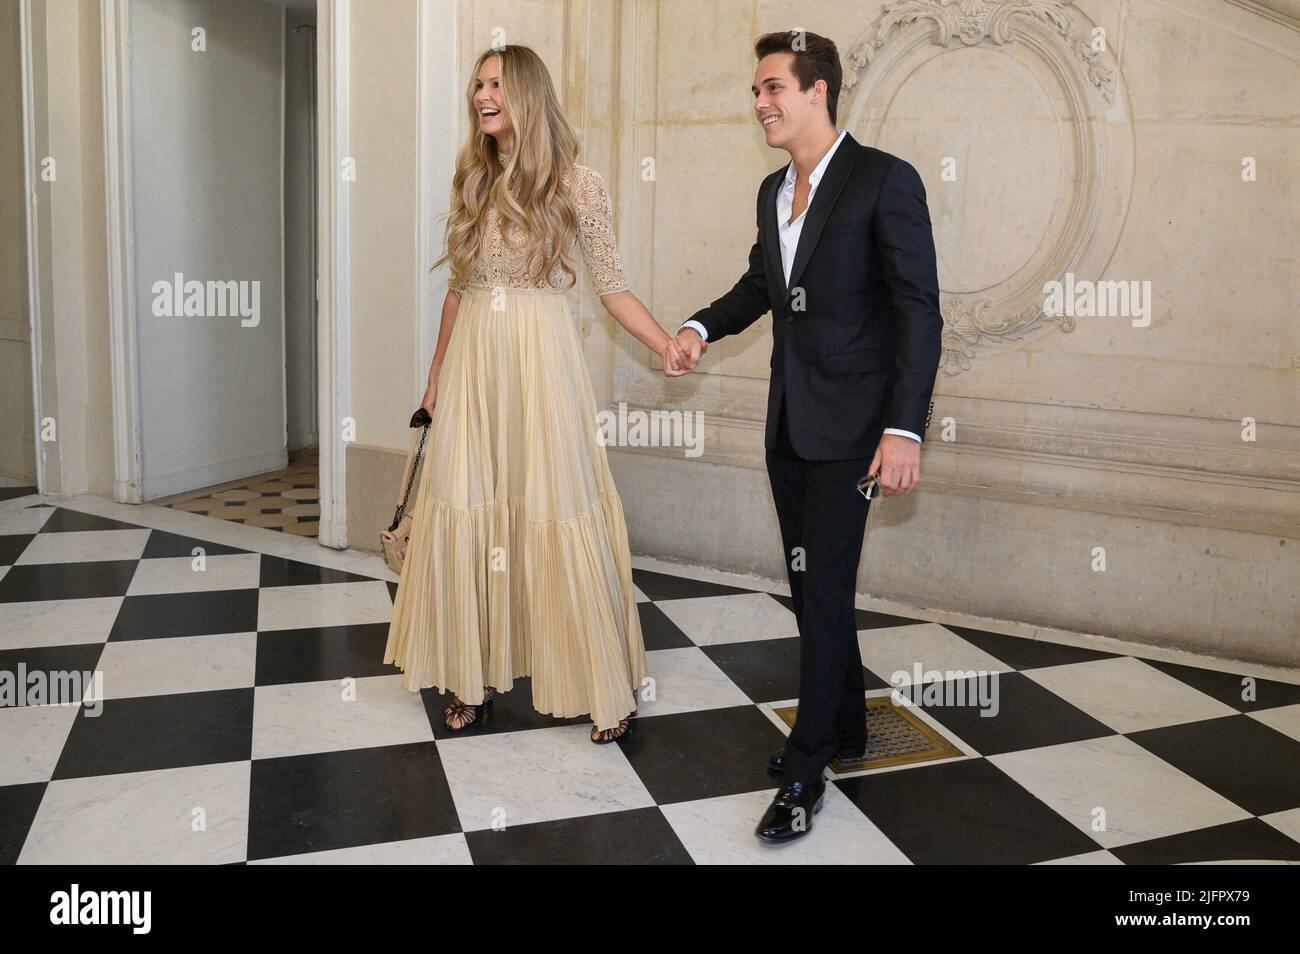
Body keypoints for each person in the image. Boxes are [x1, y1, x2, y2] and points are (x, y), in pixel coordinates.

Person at [671, 30, 942, 842]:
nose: (759, 103)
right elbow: (763, 283)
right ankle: (849, 723)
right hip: (788, 427)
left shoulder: (884, 180)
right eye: (756, 90)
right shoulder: (771, 191)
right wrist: (698, 329)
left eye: (772, 88)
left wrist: (904, 430)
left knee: (820, 593)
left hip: (857, 437)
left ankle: (805, 767)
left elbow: (919, 312)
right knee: (813, 591)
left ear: (817, 91)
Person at [384, 44, 687, 744]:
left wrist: (666, 342)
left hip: (541, 364)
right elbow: (457, 290)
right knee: (466, 506)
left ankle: (605, 684)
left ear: (524, 92)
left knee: (557, 508)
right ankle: (469, 675)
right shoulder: (474, 177)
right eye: (477, 84)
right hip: (474, 367)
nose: (481, 94)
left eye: (495, 83)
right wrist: (434, 381)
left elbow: (612, 286)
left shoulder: (579, 184)